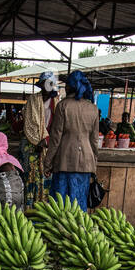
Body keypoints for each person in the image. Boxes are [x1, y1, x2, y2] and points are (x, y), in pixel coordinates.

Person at [46, 70, 100, 210]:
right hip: (85, 163)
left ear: (70, 86)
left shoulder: (63, 106)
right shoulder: (93, 109)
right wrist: (94, 164)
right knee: (79, 203)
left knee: (60, 206)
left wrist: (47, 162)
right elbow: (94, 141)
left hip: (65, 161)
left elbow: (55, 138)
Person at [20, 71, 59, 207]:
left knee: (45, 175)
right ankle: (30, 207)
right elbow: (30, 122)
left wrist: (46, 140)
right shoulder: (33, 99)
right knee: (31, 176)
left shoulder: (56, 101)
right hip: (31, 143)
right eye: (44, 83)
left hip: (47, 144)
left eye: (50, 83)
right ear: (41, 85)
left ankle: (43, 208)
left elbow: (58, 124)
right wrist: (38, 140)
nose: (47, 86)